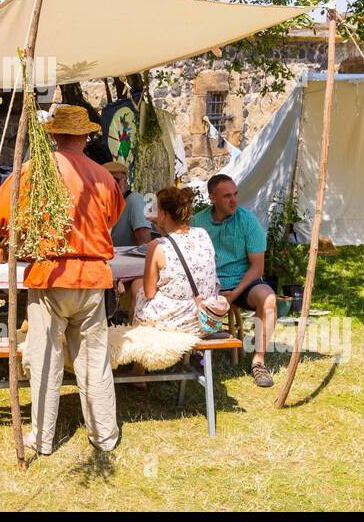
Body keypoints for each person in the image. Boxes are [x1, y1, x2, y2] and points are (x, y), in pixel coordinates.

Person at [0, 105, 124, 455]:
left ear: (55, 135)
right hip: (92, 279)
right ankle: (105, 436)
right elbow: (111, 219)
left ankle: (43, 439)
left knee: (44, 358)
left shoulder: (33, 172)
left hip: (50, 276)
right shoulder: (104, 177)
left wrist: (6, 241)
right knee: (94, 361)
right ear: (86, 136)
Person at [191, 174, 276, 388]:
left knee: (269, 299)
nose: (234, 200)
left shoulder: (248, 221)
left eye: (235, 194)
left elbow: (257, 267)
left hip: (242, 282)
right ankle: (193, 352)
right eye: (227, 196)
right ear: (212, 198)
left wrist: (234, 293)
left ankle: (259, 361)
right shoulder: (197, 222)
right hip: (208, 284)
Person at [132, 186, 225, 333]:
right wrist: (159, 223)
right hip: (206, 317)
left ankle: (136, 341)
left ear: (162, 214)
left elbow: (149, 293)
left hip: (176, 321)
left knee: (137, 286)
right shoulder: (202, 234)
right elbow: (173, 237)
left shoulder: (157, 247)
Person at [103, 160, 152, 247]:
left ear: (125, 181)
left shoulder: (134, 200)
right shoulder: (106, 201)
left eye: (115, 181)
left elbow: (144, 241)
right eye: (105, 181)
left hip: (127, 260)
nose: (109, 185)